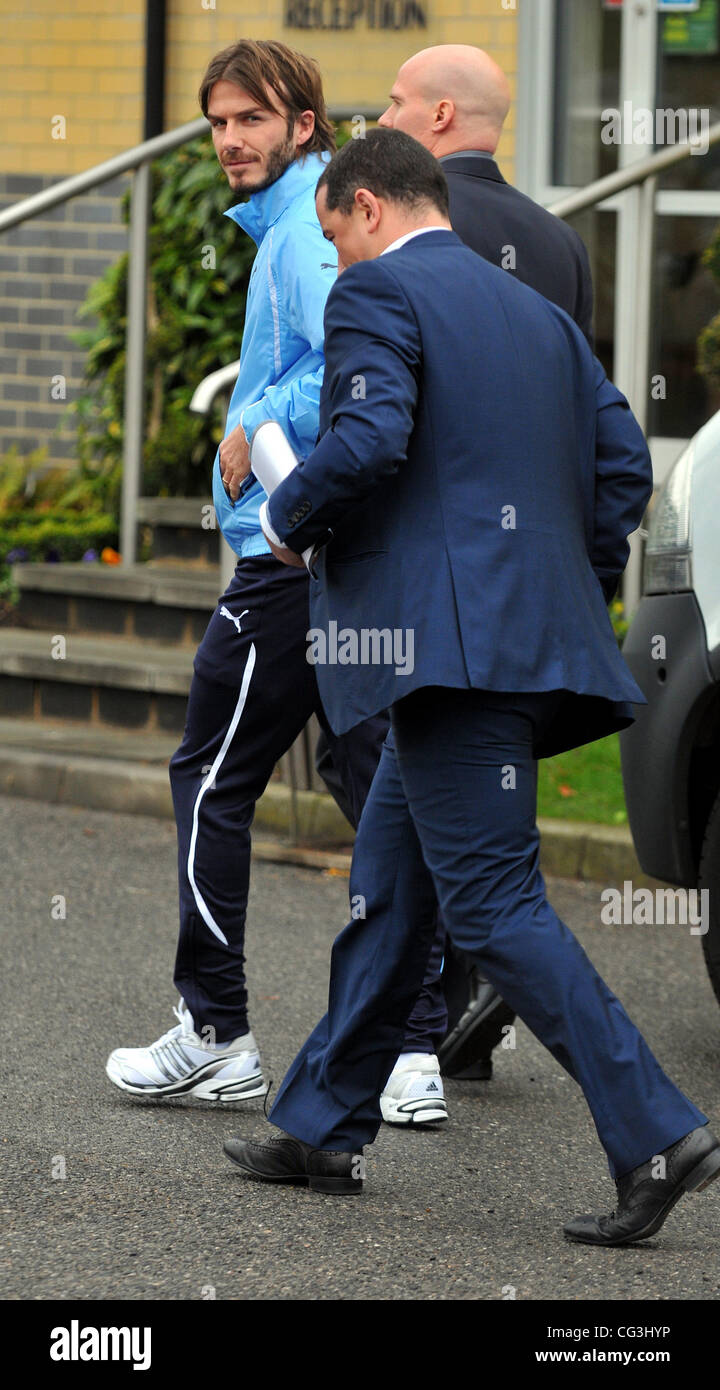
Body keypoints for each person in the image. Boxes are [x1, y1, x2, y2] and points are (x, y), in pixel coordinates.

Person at [223, 129, 720, 1245]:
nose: (336, 262)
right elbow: (624, 466)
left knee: (494, 903)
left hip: (445, 648)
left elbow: (369, 440)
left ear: (361, 207)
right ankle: (321, 1121)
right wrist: (559, 587)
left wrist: (284, 514)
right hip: (508, 640)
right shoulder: (537, 314)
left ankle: (659, 1132)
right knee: (393, 890)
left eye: (333, 237)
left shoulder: (377, 294)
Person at [105, 40, 448, 1124]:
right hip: (345, 557)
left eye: (250, 118)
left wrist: (256, 422)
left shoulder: (306, 230)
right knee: (375, 784)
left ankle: (215, 1031)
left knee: (210, 773)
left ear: (306, 124)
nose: (229, 140)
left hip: (290, 556)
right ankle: (414, 1047)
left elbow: (359, 360)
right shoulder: (311, 218)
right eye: (216, 122)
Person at [376, 42, 595, 1076]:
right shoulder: (560, 245)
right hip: (532, 586)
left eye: (394, 100)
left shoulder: (411, 236)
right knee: (463, 811)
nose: (379, 116)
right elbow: (588, 430)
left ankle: (423, 1028)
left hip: (437, 589)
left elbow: (392, 428)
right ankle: (358, 1082)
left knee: (432, 817)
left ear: (443, 118)